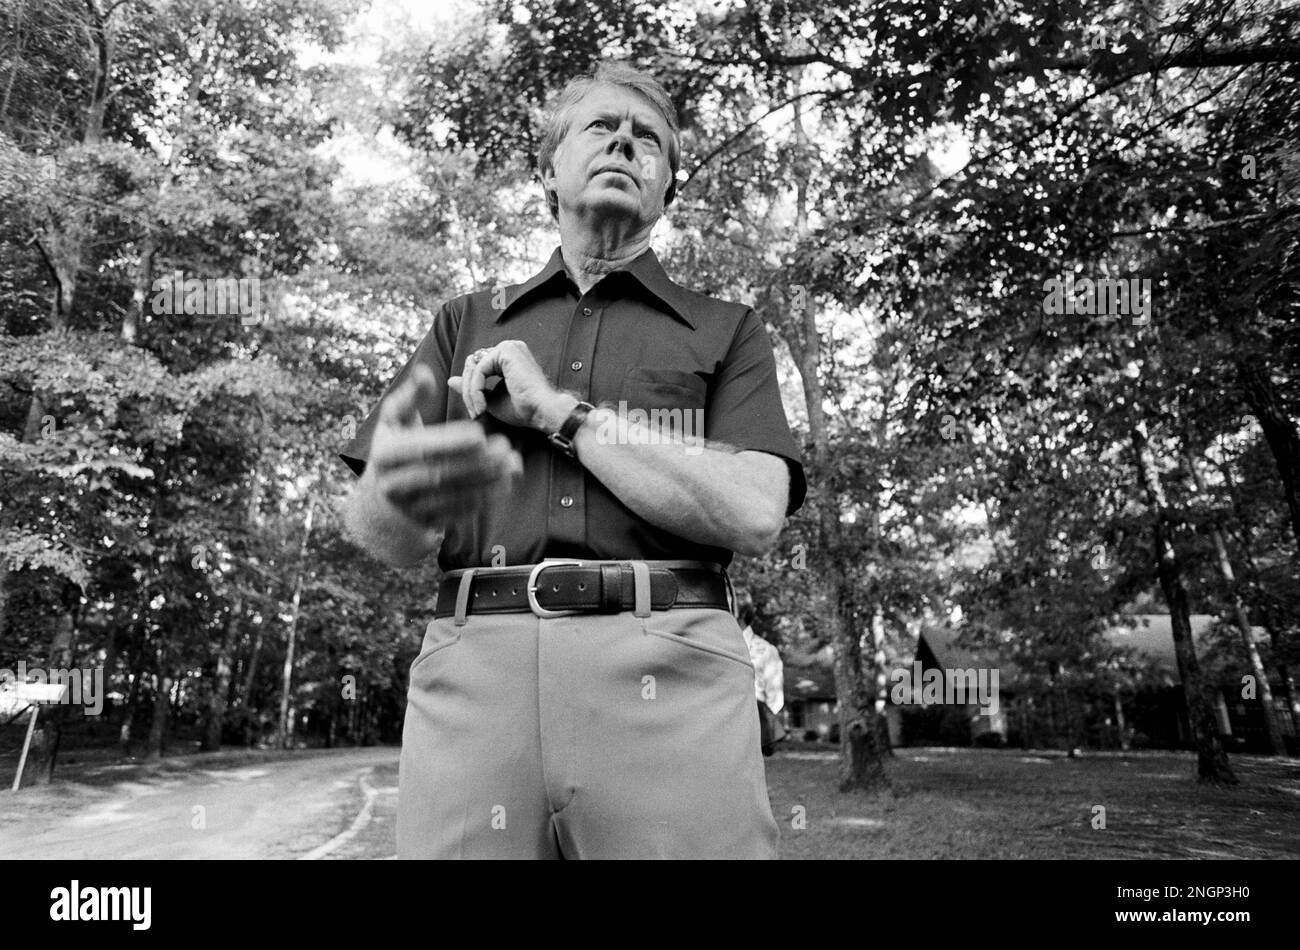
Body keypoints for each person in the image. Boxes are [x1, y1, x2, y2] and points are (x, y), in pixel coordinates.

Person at [338, 61, 806, 859]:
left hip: (675, 677)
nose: (625, 140)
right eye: (601, 126)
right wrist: (400, 489)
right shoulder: (464, 323)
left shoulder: (728, 329)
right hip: (472, 681)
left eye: (648, 139)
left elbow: (756, 510)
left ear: (666, 191)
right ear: (549, 171)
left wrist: (560, 414)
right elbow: (382, 535)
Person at [735, 590, 786, 756]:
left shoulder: (766, 650)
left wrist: (761, 732)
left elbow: (775, 699)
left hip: (754, 736)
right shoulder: (716, 646)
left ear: (741, 612)